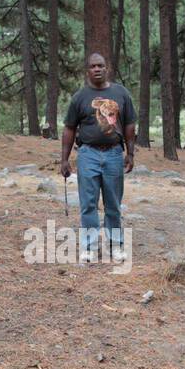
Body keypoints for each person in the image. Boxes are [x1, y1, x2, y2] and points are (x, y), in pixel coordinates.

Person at [59, 53, 137, 265]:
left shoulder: (121, 93)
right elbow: (69, 128)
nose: (97, 69)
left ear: (107, 68)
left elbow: (130, 124)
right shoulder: (80, 97)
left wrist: (130, 153)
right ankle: (89, 248)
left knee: (113, 204)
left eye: (100, 65)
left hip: (114, 154)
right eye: (93, 66)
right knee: (88, 204)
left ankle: (115, 246)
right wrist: (64, 159)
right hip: (88, 154)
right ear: (88, 71)